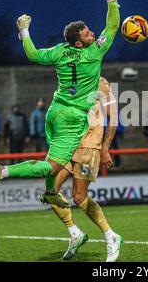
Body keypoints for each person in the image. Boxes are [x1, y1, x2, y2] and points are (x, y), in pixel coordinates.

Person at [0, 0, 120, 209]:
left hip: (55, 113)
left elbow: (33, 54)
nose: (92, 33)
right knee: (50, 167)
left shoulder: (59, 51)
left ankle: (50, 192)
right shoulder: (94, 53)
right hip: (72, 119)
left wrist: (24, 30)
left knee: (53, 159)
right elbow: (113, 26)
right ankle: (2, 171)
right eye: (87, 33)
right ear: (79, 42)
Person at [50, 77, 122, 262]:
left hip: (89, 146)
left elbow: (113, 117)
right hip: (68, 145)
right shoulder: (70, 78)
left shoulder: (101, 83)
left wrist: (105, 148)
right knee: (50, 191)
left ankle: (111, 235)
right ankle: (75, 233)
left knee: (79, 196)